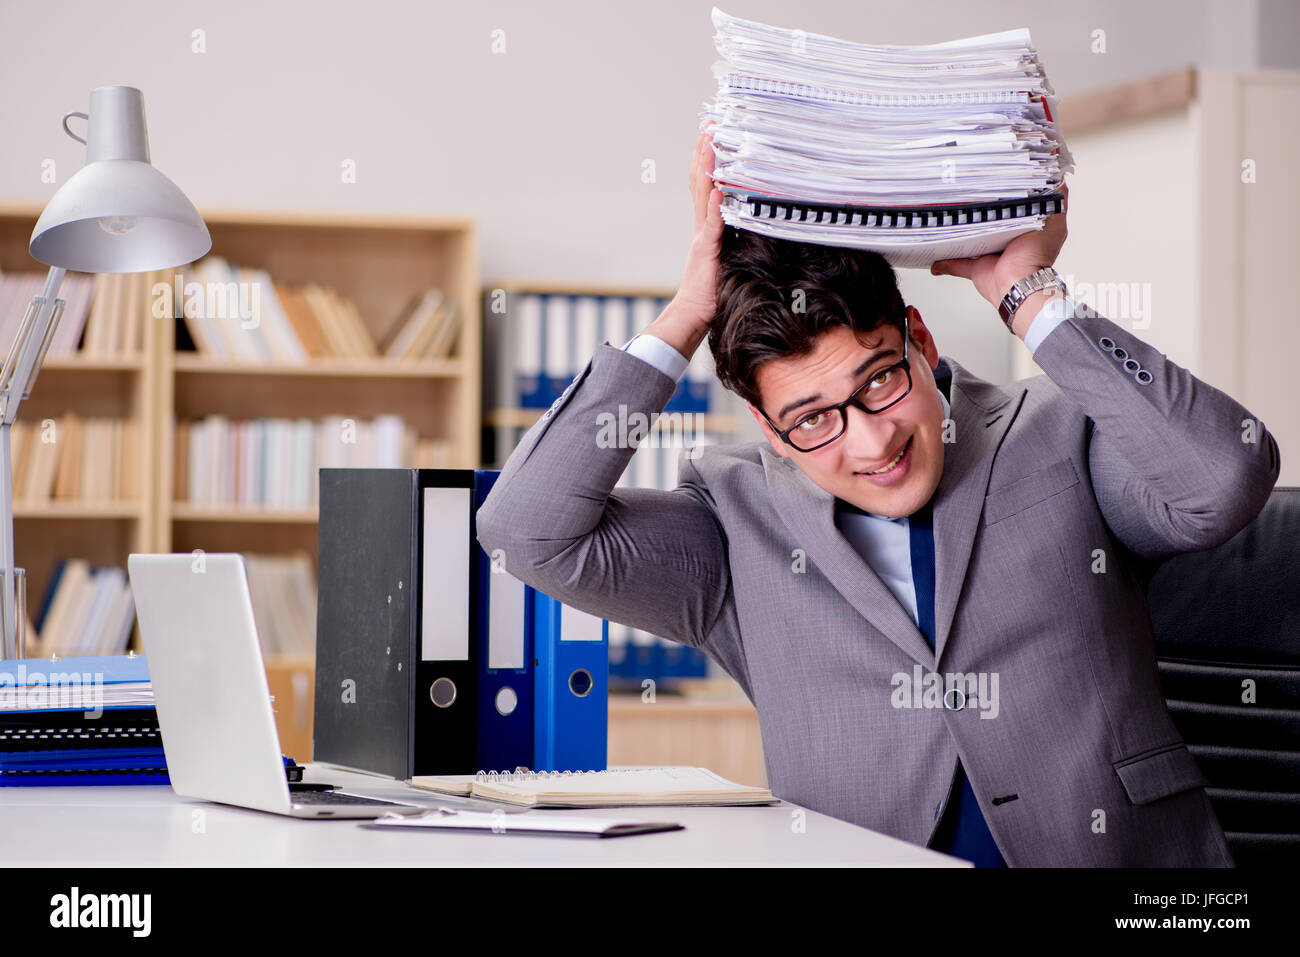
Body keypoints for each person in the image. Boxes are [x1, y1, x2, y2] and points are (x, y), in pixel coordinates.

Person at [475, 128, 1281, 867]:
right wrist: (687, 313)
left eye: (881, 381)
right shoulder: (732, 517)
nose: (871, 441)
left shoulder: (1061, 429)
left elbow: (1223, 479)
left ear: (920, 342)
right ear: (764, 423)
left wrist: (1030, 294)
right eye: (814, 419)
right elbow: (524, 533)